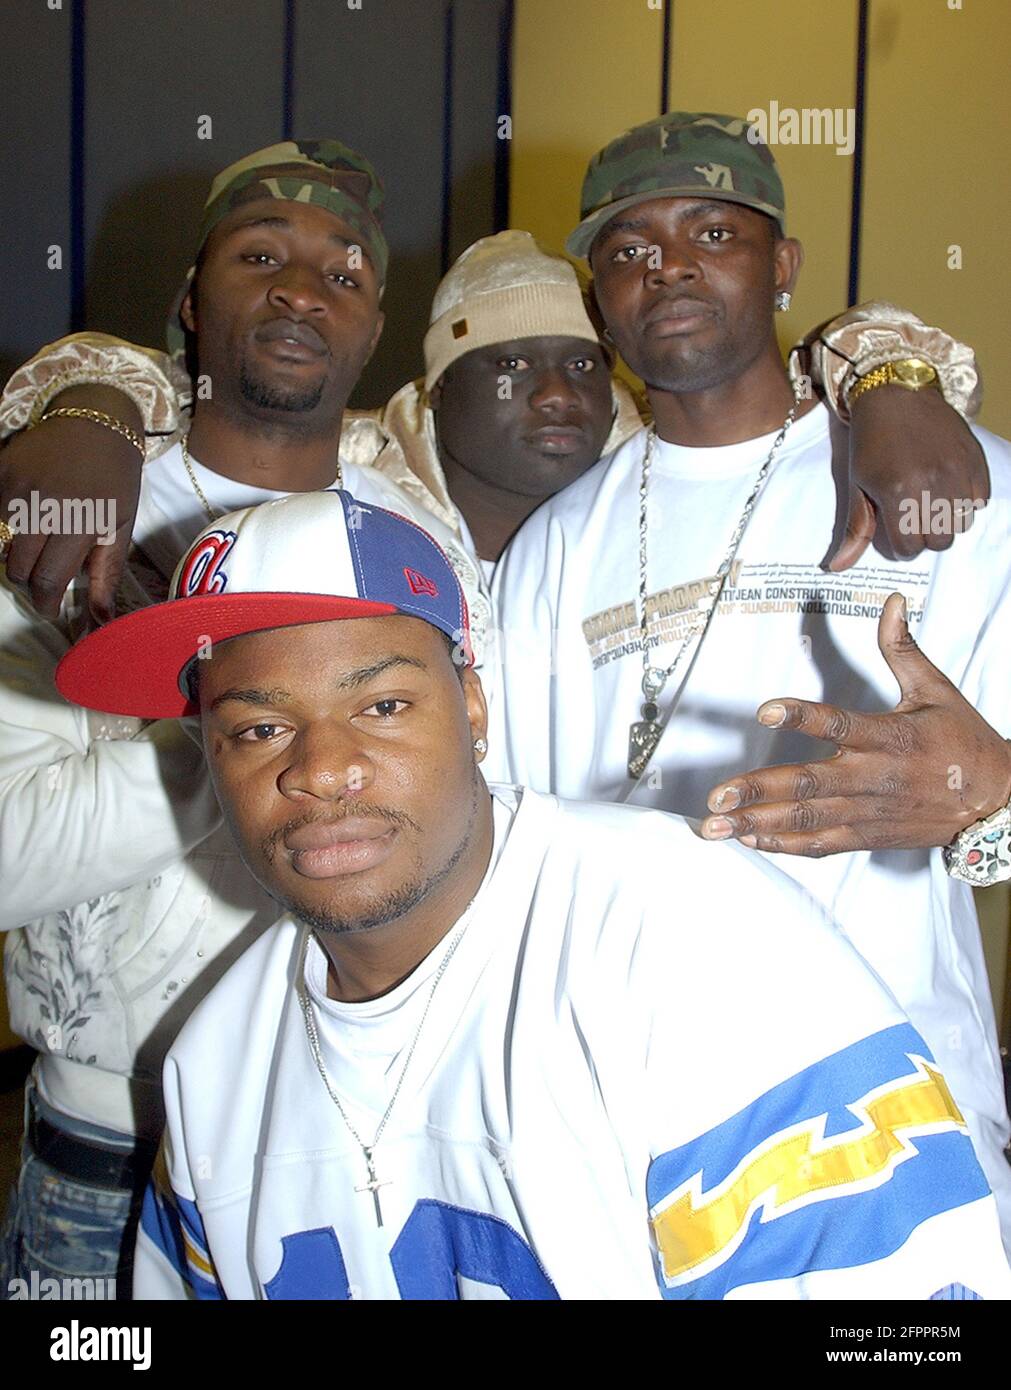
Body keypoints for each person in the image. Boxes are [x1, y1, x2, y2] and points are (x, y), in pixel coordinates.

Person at [54, 489, 1011, 1301]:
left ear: (472, 708)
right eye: (258, 729)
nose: (321, 769)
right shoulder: (214, 1063)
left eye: (382, 706)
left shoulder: (692, 944)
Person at [488, 111, 1011, 1245]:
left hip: (901, 1120)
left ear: (784, 270)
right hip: (641, 1125)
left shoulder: (955, 489)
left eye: (713, 229)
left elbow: (997, 804)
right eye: (626, 249)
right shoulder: (551, 550)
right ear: (598, 301)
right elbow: (516, 853)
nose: (666, 263)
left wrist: (995, 798)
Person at [0, 138, 486, 1299]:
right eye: (260, 255)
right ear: (188, 303)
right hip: (109, 1154)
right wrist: (232, 723)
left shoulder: (414, 534)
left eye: (345, 274)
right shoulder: (65, 519)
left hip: (372, 1138)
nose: (301, 291)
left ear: (373, 333)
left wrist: (893, 375)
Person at [0, 234, 989, 611]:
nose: (558, 395)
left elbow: (810, 371)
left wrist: (897, 379)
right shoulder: (357, 468)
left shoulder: (649, 463)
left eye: (580, 364)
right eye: (508, 365)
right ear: (437, 387)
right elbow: (217, 400)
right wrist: (93, 407)